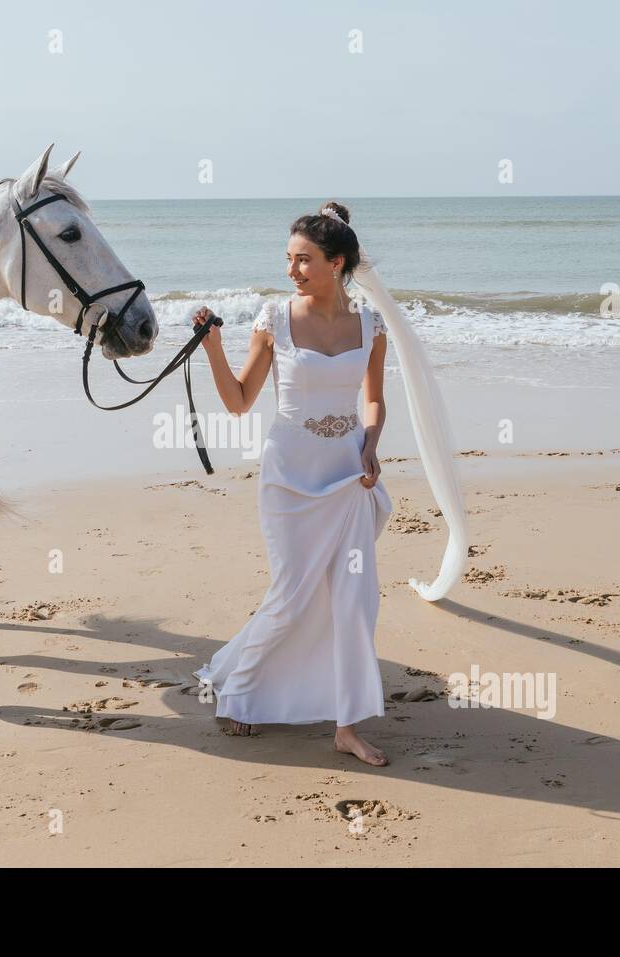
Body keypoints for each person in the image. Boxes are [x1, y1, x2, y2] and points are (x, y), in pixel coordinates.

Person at [191, 201, 394, 767]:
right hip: (289, 478)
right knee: (291, 594)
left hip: (348, 475)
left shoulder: (370, 326)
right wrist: (211, 347)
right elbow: (237, 402)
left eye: (304, 260)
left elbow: (373, 400)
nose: (292, 270)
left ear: (337, 262)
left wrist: (371, 442)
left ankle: (347, 726)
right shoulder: (273, 320)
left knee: (354, 602)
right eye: (288, 259)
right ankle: (239, 689)